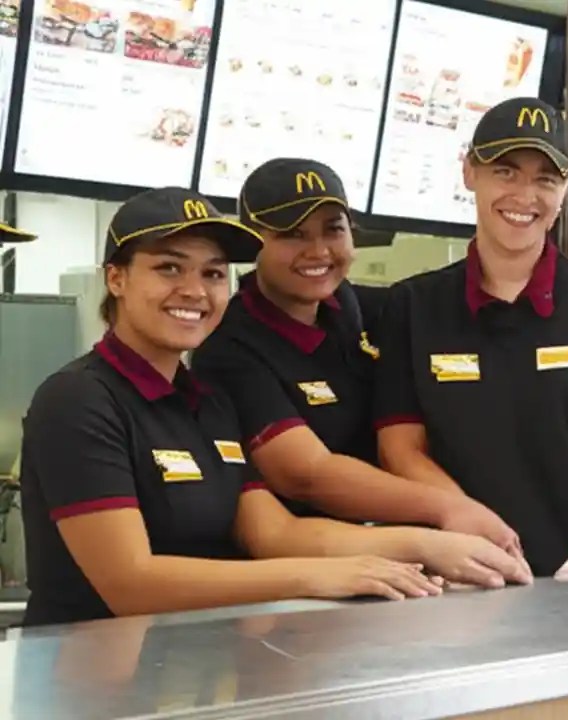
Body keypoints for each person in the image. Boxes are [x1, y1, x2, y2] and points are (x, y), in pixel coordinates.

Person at [18, 188, 532, 627]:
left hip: (183, 672)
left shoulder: (207, 404)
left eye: (214, 274)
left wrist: (424, 547)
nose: (194, 291)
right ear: (117, 279)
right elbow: (131, 583)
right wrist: (322, 576)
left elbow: (275, 532)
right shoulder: (79, 400)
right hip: (87, 684)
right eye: (168, 268)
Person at [374, 97, 568, 579]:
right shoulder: (412, 306)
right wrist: (481, 541)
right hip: (465, 580)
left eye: (545, 179)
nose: (524, 194)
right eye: (506, 172)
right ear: (469, 171)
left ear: (566, 189)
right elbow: (401, 451)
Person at [190, 158, 524, 562]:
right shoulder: (228, 347)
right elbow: (304, 474)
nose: (318, 251)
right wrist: (449, 510)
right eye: (292, 234)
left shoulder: (375, 310)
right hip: (303, 576)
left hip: (415, 563)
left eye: (333, 229)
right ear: (254, 241)